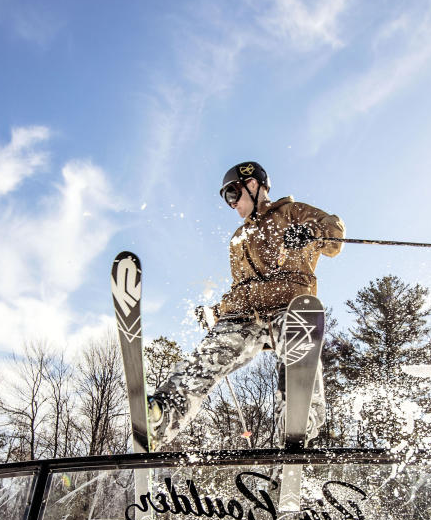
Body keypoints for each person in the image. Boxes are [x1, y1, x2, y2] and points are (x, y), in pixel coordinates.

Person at [147, 161, 345, 449]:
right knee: (207, 358)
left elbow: (334, 231)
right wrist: (216, 312)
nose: (231, 204)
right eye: (226, 198)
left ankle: (298, 419)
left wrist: (310, 232)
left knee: (298, 336)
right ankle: (161, 415)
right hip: (244, 316)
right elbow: (241, 287)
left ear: (253, 185)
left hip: (287, 306)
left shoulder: (291, 212)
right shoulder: (238, 238)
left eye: (232, 194)